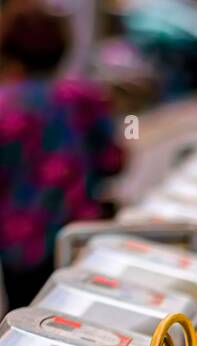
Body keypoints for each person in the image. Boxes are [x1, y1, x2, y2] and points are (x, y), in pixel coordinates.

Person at [0, 3, 124, 310]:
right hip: (79, 235)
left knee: (23, 321)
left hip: (18, 244)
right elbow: (113, 161)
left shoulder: (4, 104)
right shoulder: (85, 98)